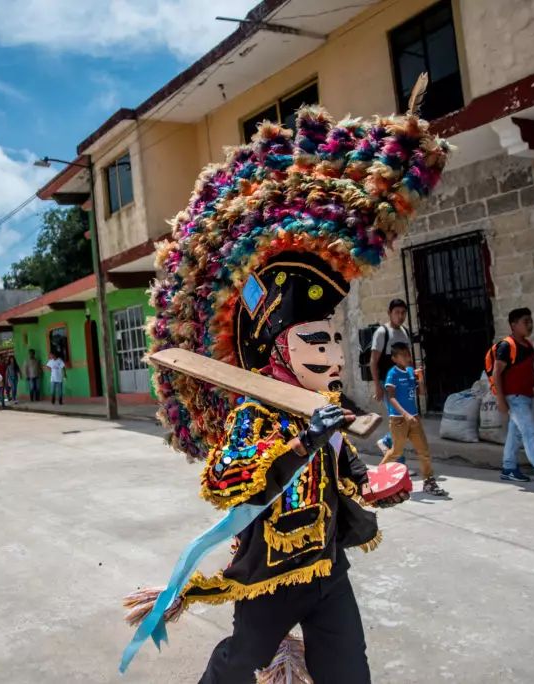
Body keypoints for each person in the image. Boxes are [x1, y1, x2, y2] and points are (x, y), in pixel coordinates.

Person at [119, 102, 449, 681]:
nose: (334, 356)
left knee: (350, 671)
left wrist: (375, 486)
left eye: (336, 342)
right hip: (272, 575)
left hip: (328, 569)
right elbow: (226, 486)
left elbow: (345, 480)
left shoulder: (331, 409)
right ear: (278, 350)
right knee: (240, 661)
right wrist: (298, 448)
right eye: (316, 341)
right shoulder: (258, 413)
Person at [491, 308, 534, 484]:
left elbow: (531, 371)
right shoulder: (506, 346)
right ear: (513, 325)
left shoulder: (528, 346)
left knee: (516, 433)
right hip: (515, 397)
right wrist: (501, 399)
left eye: (531, 321)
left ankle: (508, 468)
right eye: (526, 322)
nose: (530, 325)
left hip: (527, 396)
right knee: (530, 431)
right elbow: (497, 373)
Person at [378, 342, 447, 496]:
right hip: (399, 419)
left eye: (408, 354)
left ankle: (429, 482)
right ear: (395, 359)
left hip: (414, 418)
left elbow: (421, 393)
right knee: (396, 451)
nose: (408, 357)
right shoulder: (392, 374)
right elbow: (392, 398)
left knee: (423, 450)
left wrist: (421, 381)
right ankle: (375, 478)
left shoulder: (410, 371)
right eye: (403, 355)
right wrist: (405, 414)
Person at [368, 299, 416, 473]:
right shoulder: (382, 333)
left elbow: (408, 360)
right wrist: (378, 386)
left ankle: (387, 442)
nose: (401, 316)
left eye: (403, 312)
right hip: (388, 385)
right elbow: (373, 361)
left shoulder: (405, 332)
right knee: (398, 422)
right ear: (390, 313)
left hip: (404, 385)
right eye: (397, 312)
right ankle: (400, 465)